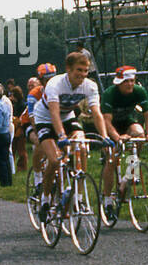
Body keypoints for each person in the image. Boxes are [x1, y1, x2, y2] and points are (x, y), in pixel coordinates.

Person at [31, 51, 110, 221]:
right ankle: (45, 199)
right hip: (45, 118)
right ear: (68, 69)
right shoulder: (55, 83)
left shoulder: (90, 86)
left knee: (81, 146)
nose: (82, 75)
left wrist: (104, 137)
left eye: (85, 70)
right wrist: (61, 136)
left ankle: (78, 198)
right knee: (54, 160)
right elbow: (53, 112)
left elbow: (96, 113)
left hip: (67, 117)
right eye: (78, 70)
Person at [99, 66, 148, 223]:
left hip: (127, 122)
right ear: (119, 83)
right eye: (126, 82)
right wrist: (117, 138)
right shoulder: (109, 94)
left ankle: (128, 176)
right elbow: (106, 121)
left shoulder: (139, 91)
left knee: (139, 133)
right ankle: (107, 200)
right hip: (110, 126)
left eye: (132, 81)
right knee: (111, 159)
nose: (130, 84)